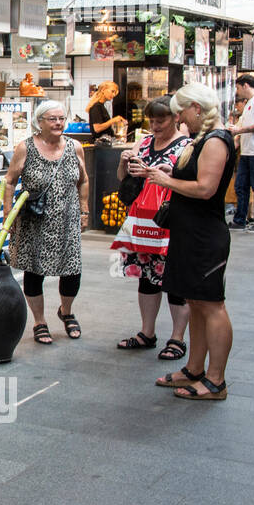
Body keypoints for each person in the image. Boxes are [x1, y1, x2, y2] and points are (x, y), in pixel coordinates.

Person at [135, 83, 237, 401]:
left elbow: (206, 188)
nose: (179, 120)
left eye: (181, 113)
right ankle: (195, 369)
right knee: (195, 302)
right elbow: (194, 177)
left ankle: (215, 379)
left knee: (211, 305)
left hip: (205, 236)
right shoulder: (202, 140)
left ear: (196, 107)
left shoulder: (217, 140)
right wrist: (170, 170)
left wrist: (168, 180)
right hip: (188, 233)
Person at [4, 99, 89, 344]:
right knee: (34, 271)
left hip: (68, 219)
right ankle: (39, 322)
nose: (59, 123)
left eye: (62, 118)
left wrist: (84, 210)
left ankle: (67, 311)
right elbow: (9, 181)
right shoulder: (26, 148)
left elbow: (83, 179)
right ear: (39, 122)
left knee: (72, 270)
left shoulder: (75, 147)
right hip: (35, 220)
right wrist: (8, 214)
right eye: (53, 119)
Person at [113, 96, 191, 358]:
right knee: (147, 277)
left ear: (176, 118)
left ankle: (177, 339)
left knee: (176, 281)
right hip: (142, 218)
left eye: (162, 120)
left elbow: (195, 185)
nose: (155, 126)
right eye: (152, 121)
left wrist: (169, 174)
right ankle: (147, 332)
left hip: (172, 221)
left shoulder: (187, 147)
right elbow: (123, 180)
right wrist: (124, 163)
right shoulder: (144, 142)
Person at [227, 73, 254, 231]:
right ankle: (240, 219)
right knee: (241, 186)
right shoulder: (249, 104)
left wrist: (240, 130)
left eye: (238, 87)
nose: (237, 91)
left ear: (245, 85)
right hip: (247, 152)